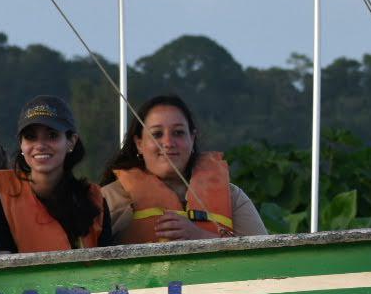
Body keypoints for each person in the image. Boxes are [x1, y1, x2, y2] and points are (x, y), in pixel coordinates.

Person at [101, 94, 267, 242]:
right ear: (139, 144)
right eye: (157, 134)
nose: (168, 143)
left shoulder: (233, 197)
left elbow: (263, 256)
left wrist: (199, 236)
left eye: (178, 133)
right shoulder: (109, 199)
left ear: (192, 139)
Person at [0, 96, 111, 253]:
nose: (40, 145)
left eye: (52, 135)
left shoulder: (94, 199)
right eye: (30, 136)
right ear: (21, 144)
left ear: (71, 141)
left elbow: (106, 266)